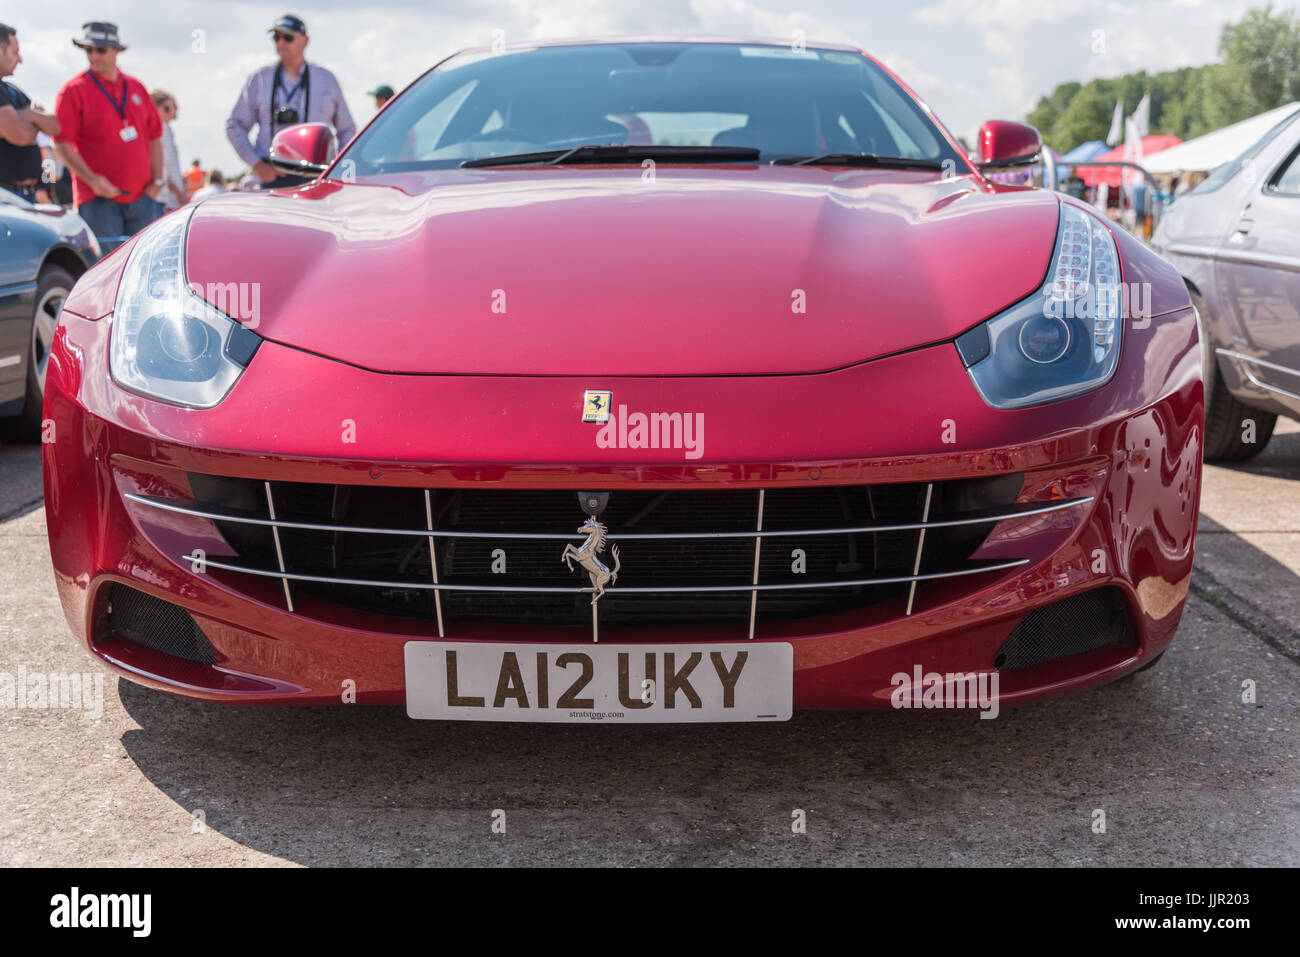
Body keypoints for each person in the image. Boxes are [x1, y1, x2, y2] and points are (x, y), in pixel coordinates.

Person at [53, 22, 164, 249]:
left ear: (116, 50)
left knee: (146, 272)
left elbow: (155, 137)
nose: (93, 55)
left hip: (144, 199)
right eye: (88, 50)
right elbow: (61, 144)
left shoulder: (136, 87)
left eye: (101, 49)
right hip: (98, 202)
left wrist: (157, 182)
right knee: (108, 276)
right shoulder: (73, 90)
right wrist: (93, 181)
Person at [226, 14, 355, 190]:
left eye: (288, 37)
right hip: (270, 179)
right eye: (276, 37)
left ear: (305, 40)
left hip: (316, 178)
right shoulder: (260, 79)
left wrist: (336, 167)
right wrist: (257, 164)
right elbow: (234, 125)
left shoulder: (326, 79)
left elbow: (347, 129)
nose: (281, 43)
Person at [0, 23, 61, 202]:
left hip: (29, 194)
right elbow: (20, 134)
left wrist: (29, 116)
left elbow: (55, 126)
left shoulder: (12, 90)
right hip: (6, 196)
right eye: (15, 52)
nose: (20, 59)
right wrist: (35, 119)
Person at [149, 89, 186, 210]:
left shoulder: (166, 131)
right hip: (164, 198)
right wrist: (178, 193)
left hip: (168, 197)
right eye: (167, 108)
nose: (171, 112)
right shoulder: (159, 132)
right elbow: (163, 166)